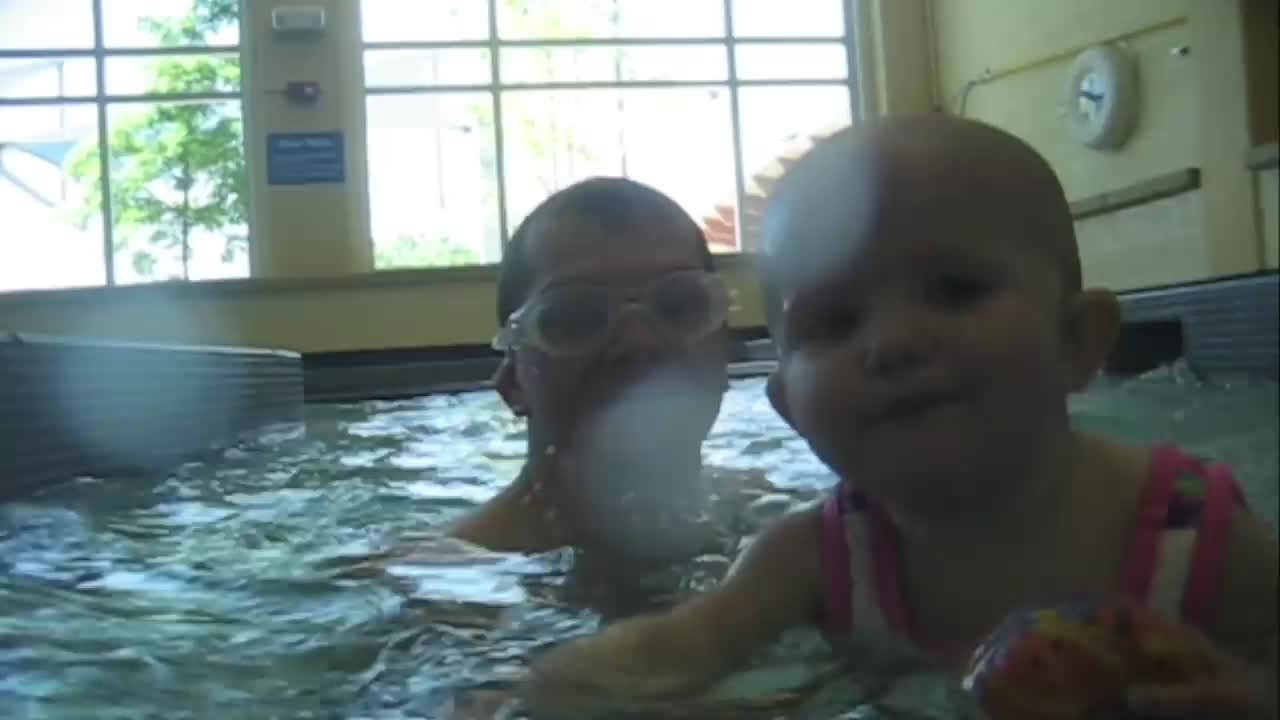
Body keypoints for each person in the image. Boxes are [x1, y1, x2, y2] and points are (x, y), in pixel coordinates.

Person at [518, 116, 1279, 718]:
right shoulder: (813, 557)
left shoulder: (1189, 530)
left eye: (953, 290)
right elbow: (673, 653)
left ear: (1076, 342)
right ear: (790, 409)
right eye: (836, 322)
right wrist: (524, 694)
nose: (891, 342)